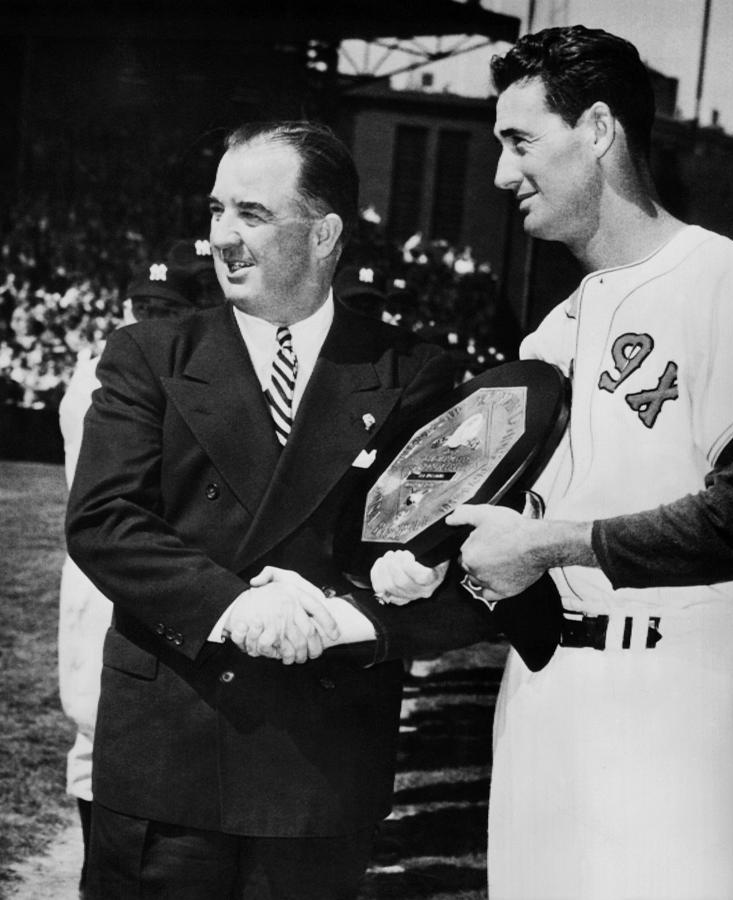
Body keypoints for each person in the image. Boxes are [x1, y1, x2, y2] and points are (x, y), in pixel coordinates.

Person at [370, 26, 733, 900]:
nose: (502, 174)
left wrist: (543, 549)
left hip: (686, 693)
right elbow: (505, 534)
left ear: (599, 129)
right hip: (549, 685)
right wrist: (438, 566)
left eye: (520, 141)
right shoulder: (552, 335)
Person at [65, 121, 492, 899]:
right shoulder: (151, 354)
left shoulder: (411, 371)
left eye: (252, 214)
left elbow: (436, 547)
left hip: (318, 765)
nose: (222, 237)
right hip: (171, 753)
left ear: (325, 233)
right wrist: (233, 606)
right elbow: (104, 520)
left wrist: (342, 617)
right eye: (216, 210)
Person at [58, 245, 223, 897]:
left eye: (166, 308)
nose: (149, 318)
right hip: (106, 568)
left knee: (145, 738)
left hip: (154, 571)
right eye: (143, 306)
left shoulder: (178, 363)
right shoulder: (107, 367)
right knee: (96, 727)